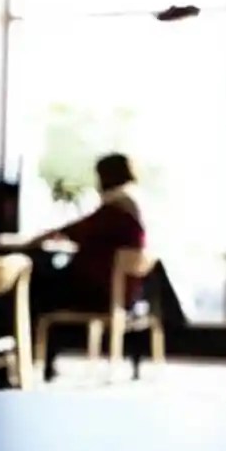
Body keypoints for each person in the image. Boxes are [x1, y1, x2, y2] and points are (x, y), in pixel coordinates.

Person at [29, 153, 147, 380]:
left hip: (99, 290)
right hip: (126, 291)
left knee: (35, 288)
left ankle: (35, 358)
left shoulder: (116, 208)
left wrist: (38, 239)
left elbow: (79, 230)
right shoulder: (133, 205)